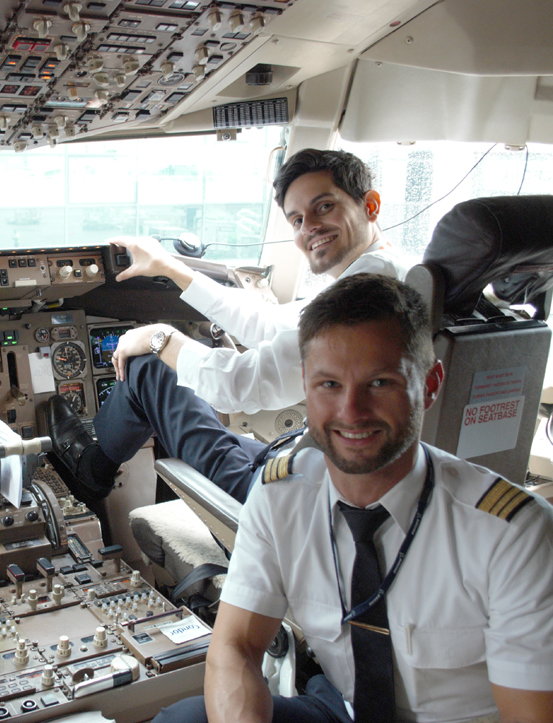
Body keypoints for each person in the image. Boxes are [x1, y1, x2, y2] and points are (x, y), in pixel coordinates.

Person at [153, 274, 553, 723]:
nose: (351, 411)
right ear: (305, 385)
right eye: (329, 385)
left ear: (430, 384)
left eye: (379, 383)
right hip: (344, 708)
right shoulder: (281, 497)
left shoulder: (514, 534)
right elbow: (235, 648)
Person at [46, 149, 408, 504]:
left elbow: (239, 386)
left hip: (287, 501)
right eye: (297, 219)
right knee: (204, 416)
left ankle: (91, 470)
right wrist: (171, 268)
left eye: (324, 206)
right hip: (313, 473)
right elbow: (267, 325)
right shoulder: (389, 274)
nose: (309, 226)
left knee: (149, 369)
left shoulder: (365, 297)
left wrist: (160, 338)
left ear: (370, 205)